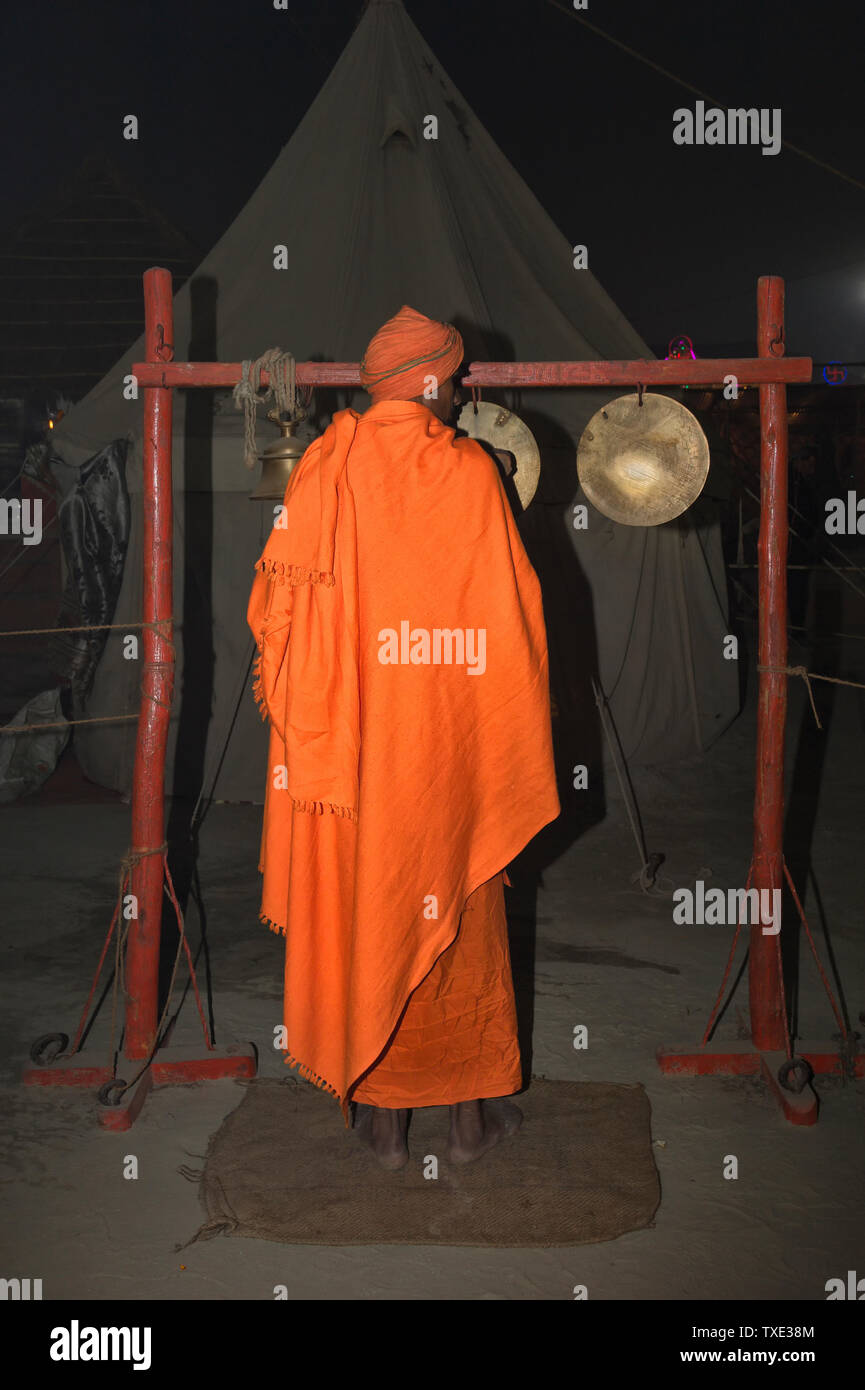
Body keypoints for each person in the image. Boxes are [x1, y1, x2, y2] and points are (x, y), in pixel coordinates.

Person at [247, 305, 559, 1170]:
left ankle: (382, 1127)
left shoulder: (324, 469)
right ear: (430, 381)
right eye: (454, 380)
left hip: (356, 762)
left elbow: (277, 613)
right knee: (458, 912)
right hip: (451, 759)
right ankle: (468, 1126)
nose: (459, 394)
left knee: (375, 915)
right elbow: (513, 619)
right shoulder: (465, 474)